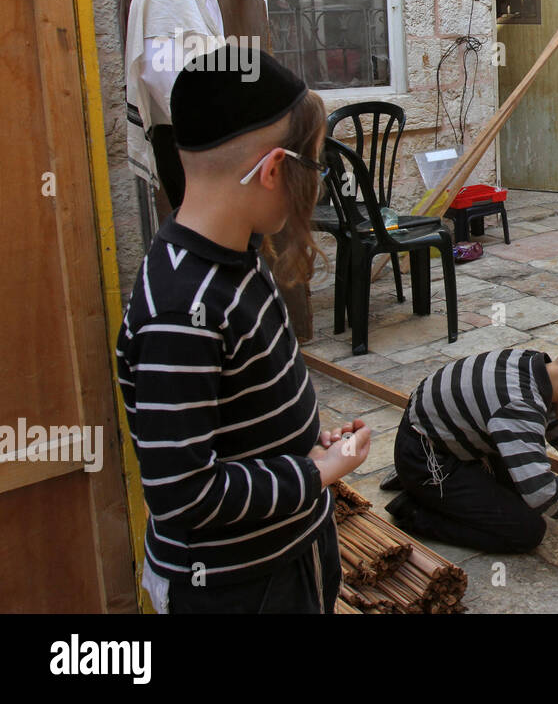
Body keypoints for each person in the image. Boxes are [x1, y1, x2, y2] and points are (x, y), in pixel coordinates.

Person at [115, 47, 370, 614]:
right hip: (235, 589)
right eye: (315, 168)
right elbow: (184, 496)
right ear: (276, 169)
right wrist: (314, 473)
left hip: (285, 554)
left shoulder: (237, 252)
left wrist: (299, 444)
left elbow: (235, 416)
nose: (317, 186)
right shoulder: (181, 310)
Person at [380, 334, 558, 554]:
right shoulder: (518, 407)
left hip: (438, 436)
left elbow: (550, 415)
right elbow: (540, 494)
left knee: (517, 489)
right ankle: (415, 510)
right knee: (525, 530)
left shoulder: (532, 364)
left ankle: (434, 488)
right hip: (429, 461)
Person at [125, 0, 261, 211]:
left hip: (198, 146)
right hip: (191, 149)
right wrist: (222, 149)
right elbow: (166, 81)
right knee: (210, 251)